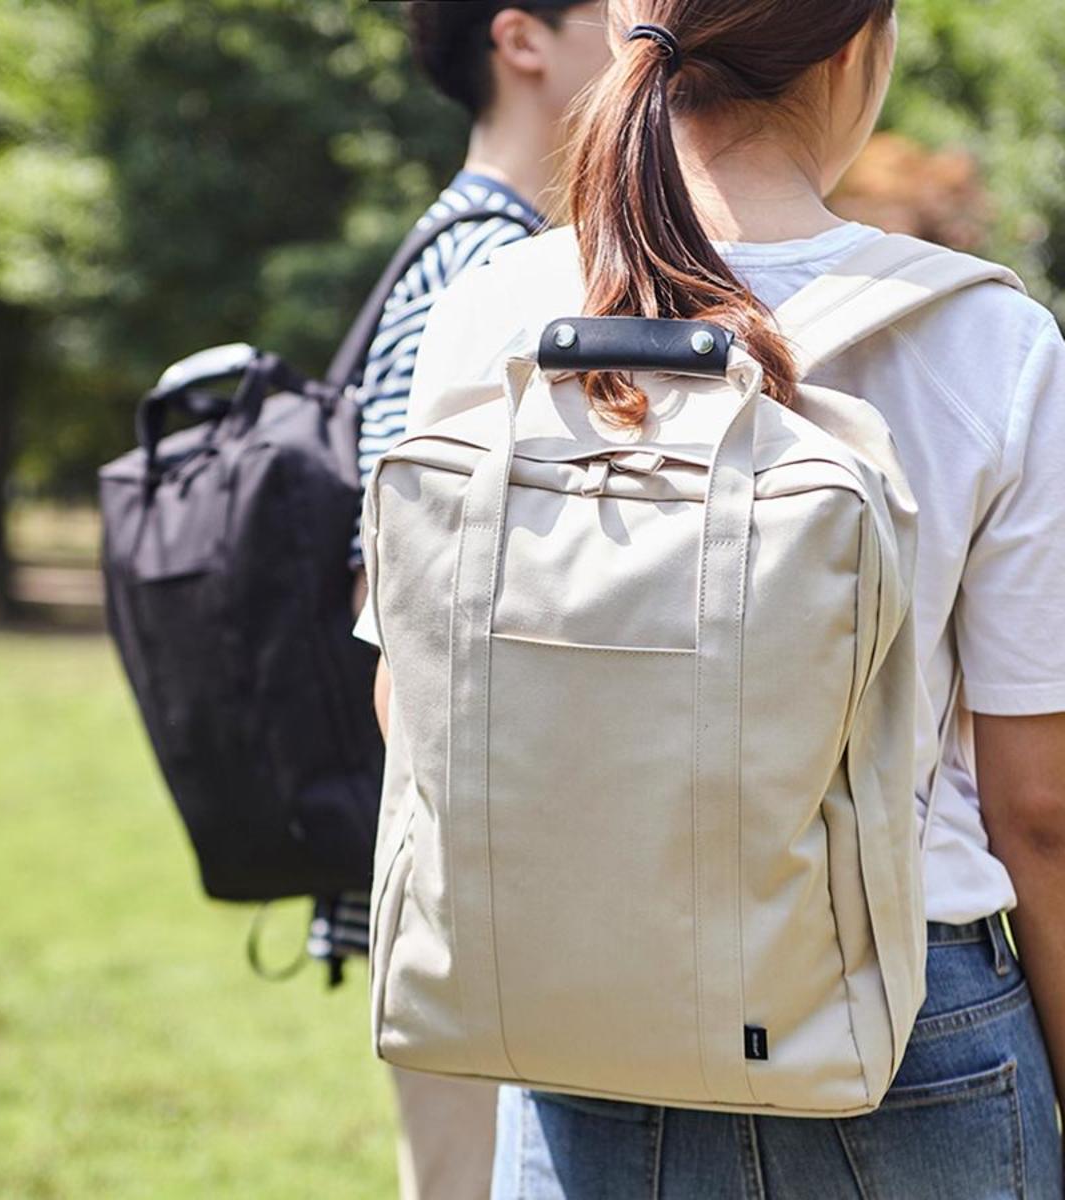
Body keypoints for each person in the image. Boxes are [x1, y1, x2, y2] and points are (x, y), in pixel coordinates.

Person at [355, 0, 1065, 1195]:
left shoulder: (493, 310)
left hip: (570, 1013)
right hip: (903, 1024)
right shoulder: (990, 340)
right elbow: (1038, 809)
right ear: (858, 51)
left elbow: (407, 699)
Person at [307, 4, 610, 1198]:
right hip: (462, 860)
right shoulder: (480, 262)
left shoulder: (504, 245)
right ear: (523, 39)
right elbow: (398, 582)